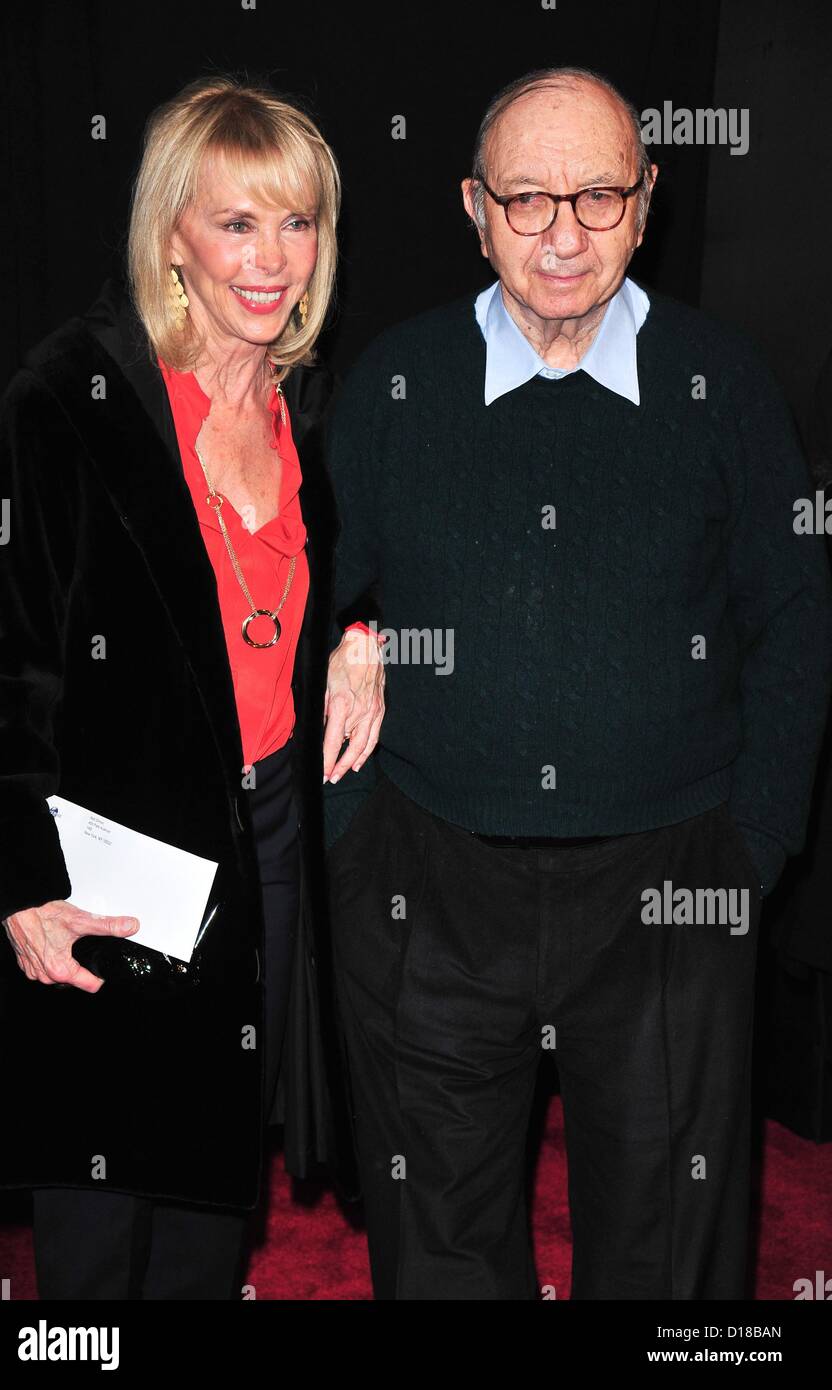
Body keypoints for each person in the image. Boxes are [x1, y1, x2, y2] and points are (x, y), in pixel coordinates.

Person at [322, 66, 832, 1299]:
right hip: (430, 889)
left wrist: (749, 851)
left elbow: (795, 621)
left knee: (672, 1269)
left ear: (647, 204)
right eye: (529, 198)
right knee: (436, 1251)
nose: (564, 233)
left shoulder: (726, 386)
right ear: (473, 207)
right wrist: (356, 825)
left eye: (600, 195)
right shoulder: (393, 385)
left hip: (670, 890)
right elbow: (301, 599)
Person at [0, 74, 359, 1299]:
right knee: (96, 1238)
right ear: (171, 234)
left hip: (270, 853)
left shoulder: (313, 406)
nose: (272, 258)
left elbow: (330, 584)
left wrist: (369, 632)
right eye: (236, 223)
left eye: (295, 223)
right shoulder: (70, 402)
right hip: (112, 874)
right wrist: (18, 885)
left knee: (208, 1210)